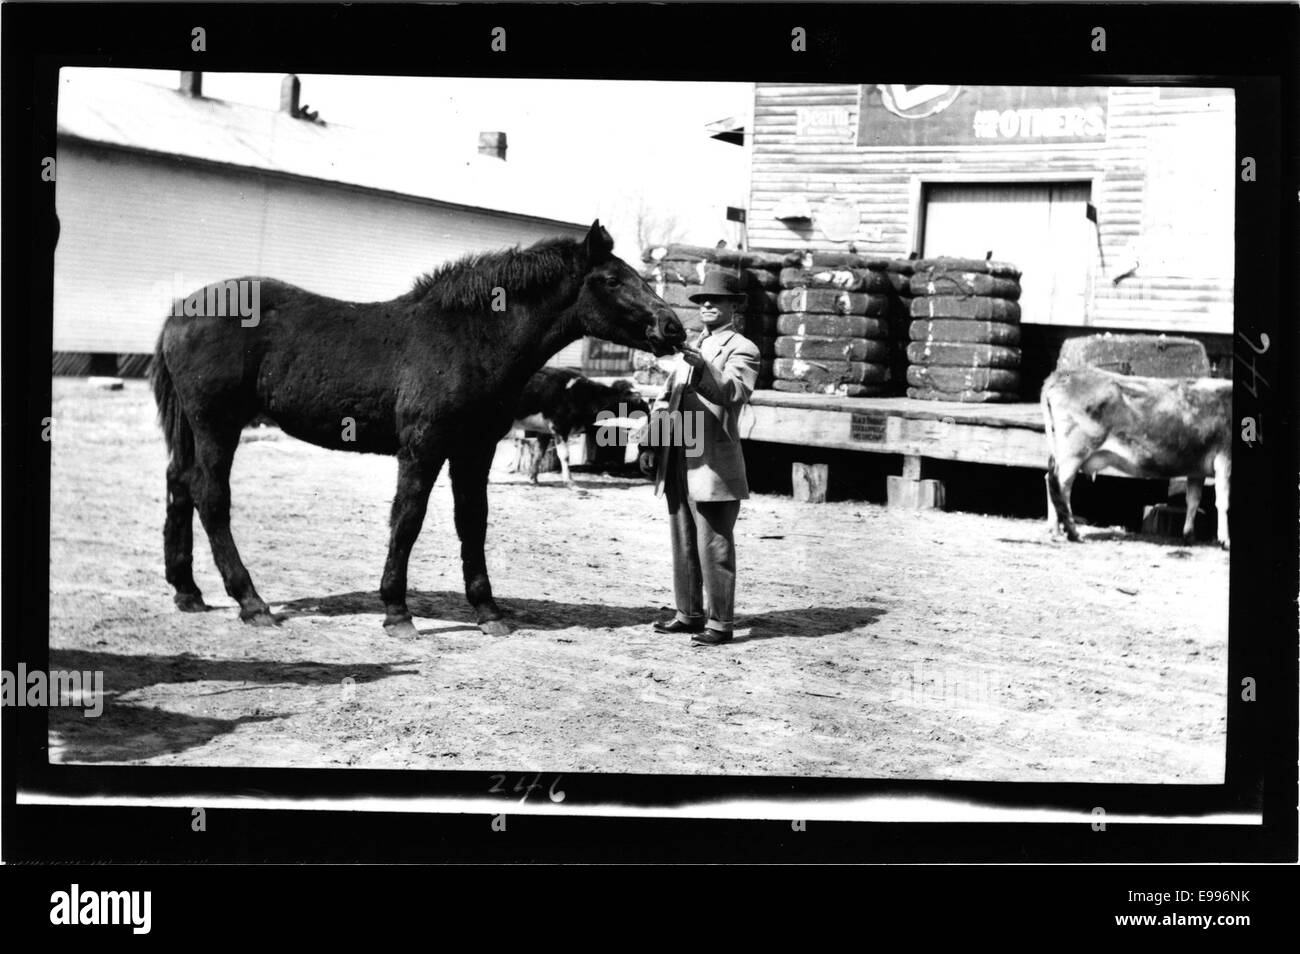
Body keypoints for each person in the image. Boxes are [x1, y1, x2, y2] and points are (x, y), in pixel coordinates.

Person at [647, 269, 761, 646]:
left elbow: (733, 392)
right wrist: (653, 444)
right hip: (680, 453)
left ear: (734, 307)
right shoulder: (691, 348)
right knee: (682, 538)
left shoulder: (742, 348)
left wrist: (701, 366)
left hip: (712, 458)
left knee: (713, 541)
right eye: (702, 300)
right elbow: (668, 399)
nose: (708, 305)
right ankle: (689, 614)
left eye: (717, 300)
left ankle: (721, 623)